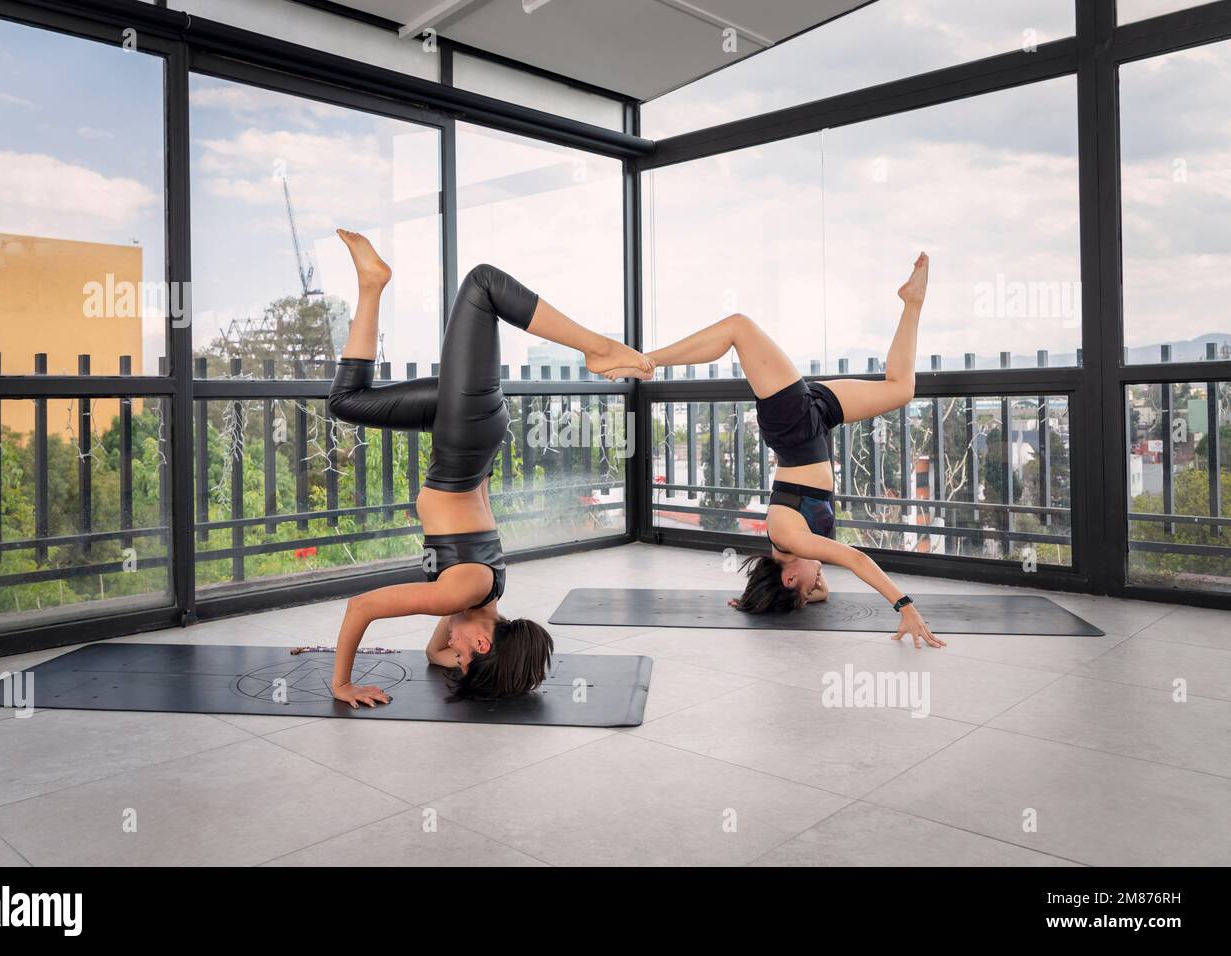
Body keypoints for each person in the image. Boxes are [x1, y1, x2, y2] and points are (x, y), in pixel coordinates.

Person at [327, 229, 654, 707]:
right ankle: (596, 347)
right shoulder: (461, 593)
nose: (451, 655)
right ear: (483, 643)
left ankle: (372, 285)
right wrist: (342, 684)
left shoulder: (483, 593)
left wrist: (463, 660)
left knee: (347, 401)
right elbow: (362, 608)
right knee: (482, 285)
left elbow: (436, 649)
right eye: (465, 657)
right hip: (464, 437)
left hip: (470, 436)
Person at [605, 252, 945, 649]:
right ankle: (912, 302)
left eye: (804, 589)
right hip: (816, 426)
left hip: (792, 422)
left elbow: (854, 559)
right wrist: (770, 598)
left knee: (738, 326)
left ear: (787, 577)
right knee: (901, 389)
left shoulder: (789, 539)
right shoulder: (796, 556)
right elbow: (822, 591)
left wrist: (905, 606)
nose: (818, 586)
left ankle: (646, 362)